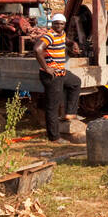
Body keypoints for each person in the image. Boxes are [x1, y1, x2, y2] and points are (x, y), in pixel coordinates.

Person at [34, 12, 82, 143]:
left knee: (75, 83)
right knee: (52, 107)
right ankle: (54, 137)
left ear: (64, 25)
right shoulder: (49, 36)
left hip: (61, 73)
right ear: (52, 24)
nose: (58, 26)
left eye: (61, 24)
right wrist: (46, 68)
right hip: (51, 75)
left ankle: (69, 113)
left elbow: (66, 41)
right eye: (56, 24)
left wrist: (73, 43)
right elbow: (37, 49)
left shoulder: (62, 34)